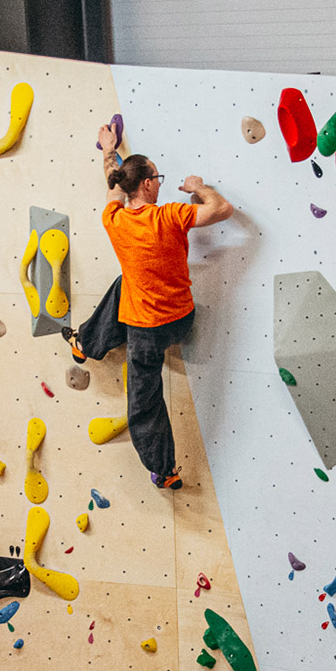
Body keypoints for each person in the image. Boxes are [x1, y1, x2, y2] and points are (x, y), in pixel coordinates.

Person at [65, 122, 234, 489]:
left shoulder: (114, 219)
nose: (161, 182)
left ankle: (165, 469)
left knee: (144, 401)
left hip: (143, 331)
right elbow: (222, 209)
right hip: (179, 320)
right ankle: (85, 343)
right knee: (126, 281)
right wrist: (197, 187)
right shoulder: (171, 216)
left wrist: (110, 149)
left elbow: (111, 180)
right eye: (157, 177)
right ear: (146, 184)